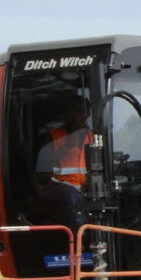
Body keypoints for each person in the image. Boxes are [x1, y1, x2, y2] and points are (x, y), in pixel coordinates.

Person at [34, 96, 92, 229]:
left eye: (80, 111)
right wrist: (65, 148)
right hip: (61, 191)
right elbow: (41, 175)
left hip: (89, 191)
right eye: (72, 111)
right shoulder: (52, 138)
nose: (75, 116)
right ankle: (78, 239)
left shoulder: (95, 137)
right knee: (71, 199)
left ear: (88, 114)